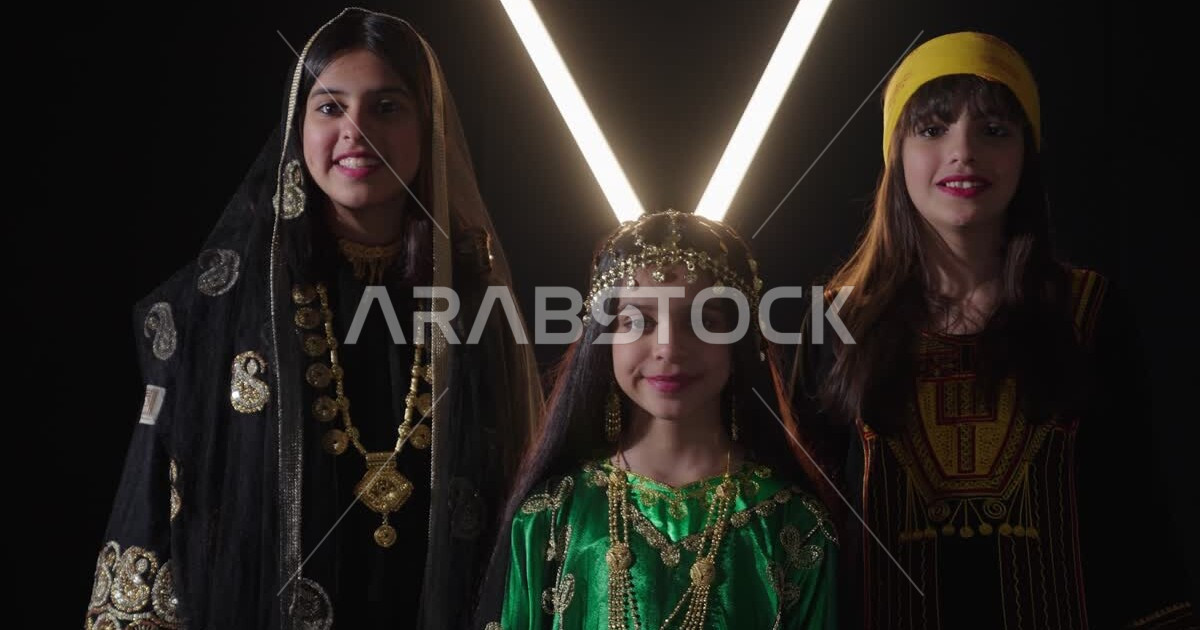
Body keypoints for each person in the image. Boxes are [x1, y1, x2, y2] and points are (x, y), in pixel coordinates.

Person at [84, 8, 542, 629]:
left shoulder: (475, 299)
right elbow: (158, 506)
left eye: (387, 107)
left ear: (426, 128)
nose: (357, 132)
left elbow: (517, 510)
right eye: (330, 108)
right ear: (296, 128)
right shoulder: (216, 307)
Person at [788, 31, 1196, 628]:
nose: (964, 152)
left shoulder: (1090, 310)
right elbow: (798, 526)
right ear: (895, 153)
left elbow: (1138, 518)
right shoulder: (836, 320)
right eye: (932, 130)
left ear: (1027, 153)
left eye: (994, 130)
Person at [476, 209, 838, 629]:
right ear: (604, 338)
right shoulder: (552, 517)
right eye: (638, 321)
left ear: (739, 340)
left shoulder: (793, 525)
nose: (668, 347)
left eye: (703, 321)